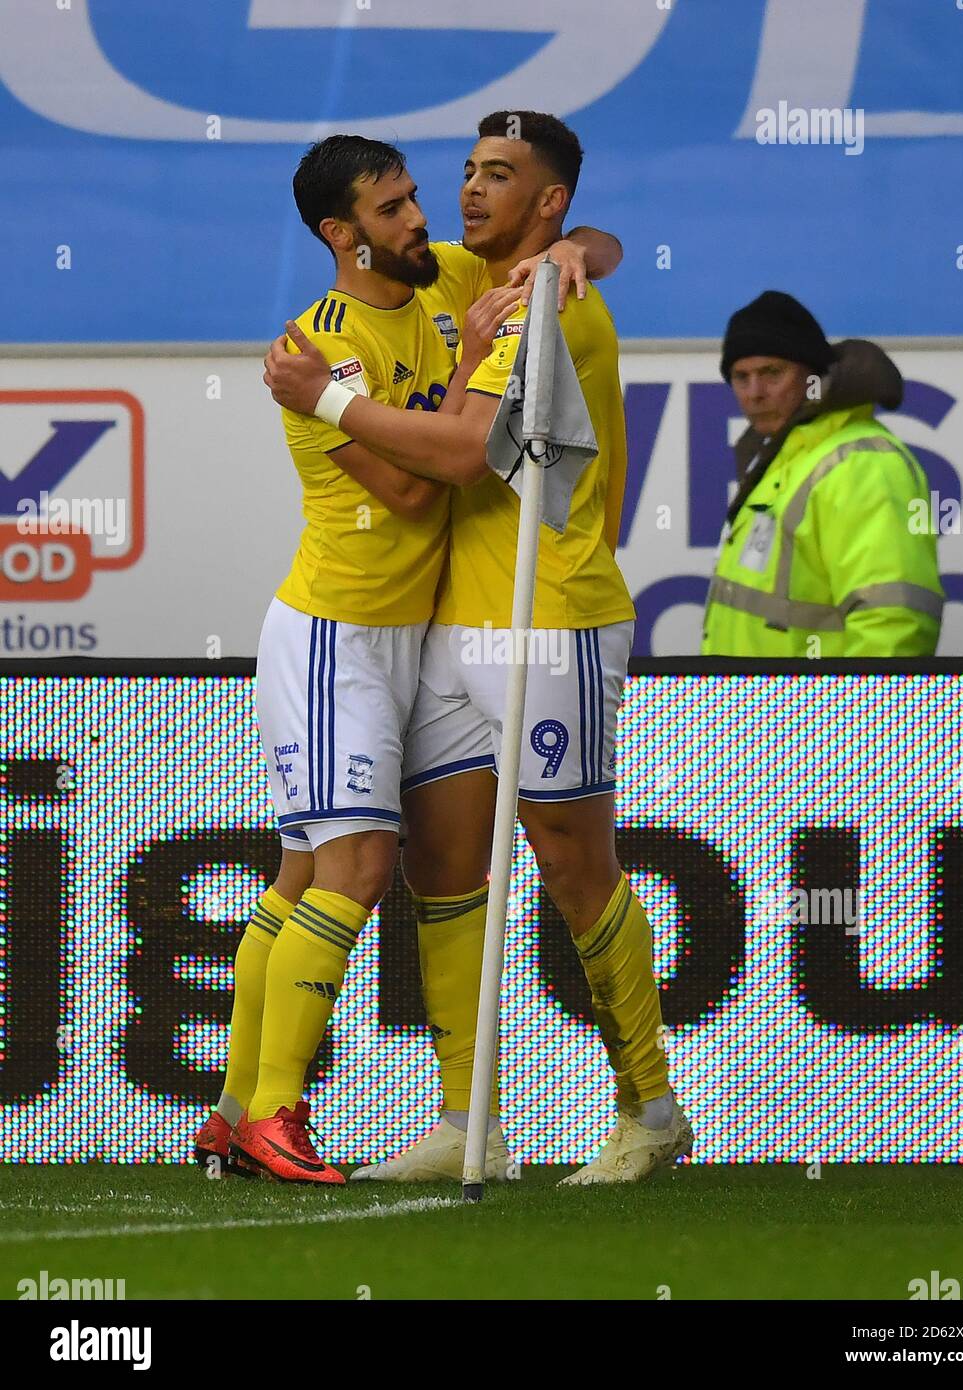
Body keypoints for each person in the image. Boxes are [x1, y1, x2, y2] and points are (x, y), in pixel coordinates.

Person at [264, 111, 694, 1186]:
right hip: (455, 619)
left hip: (550, 614)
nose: (463, 194)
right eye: (463, 173)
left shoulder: (550, 301)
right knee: (446, 866)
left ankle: (647, 1105)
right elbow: (381, 265)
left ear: (545, 197)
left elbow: (461, 452)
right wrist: (581, 239)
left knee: (569, 861)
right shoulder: (469, 272)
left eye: (498, 177)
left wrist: (324, 398)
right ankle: (471, 1121)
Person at [192, 133, 621, 1183]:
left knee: (316, 874)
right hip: (336, 631)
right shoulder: (314, 353)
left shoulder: (441, 294)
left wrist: (581, 250)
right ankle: (273, 1113)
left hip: (411, 635)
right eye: (394, 209)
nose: (423, 217)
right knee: (354, 867)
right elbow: (418, 489)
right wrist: (454, 377)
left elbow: (582, 240)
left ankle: (240, 1106)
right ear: (344, 236)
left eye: (418, 197)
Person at [702, 290, 943, 657]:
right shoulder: (786, 459)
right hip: (754, 711)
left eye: (772, 372)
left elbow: (893, 623)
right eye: (740, 376)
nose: (755, 393)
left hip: (823, 713)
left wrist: (859, 714)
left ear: (814, 376)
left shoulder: (861, 465)